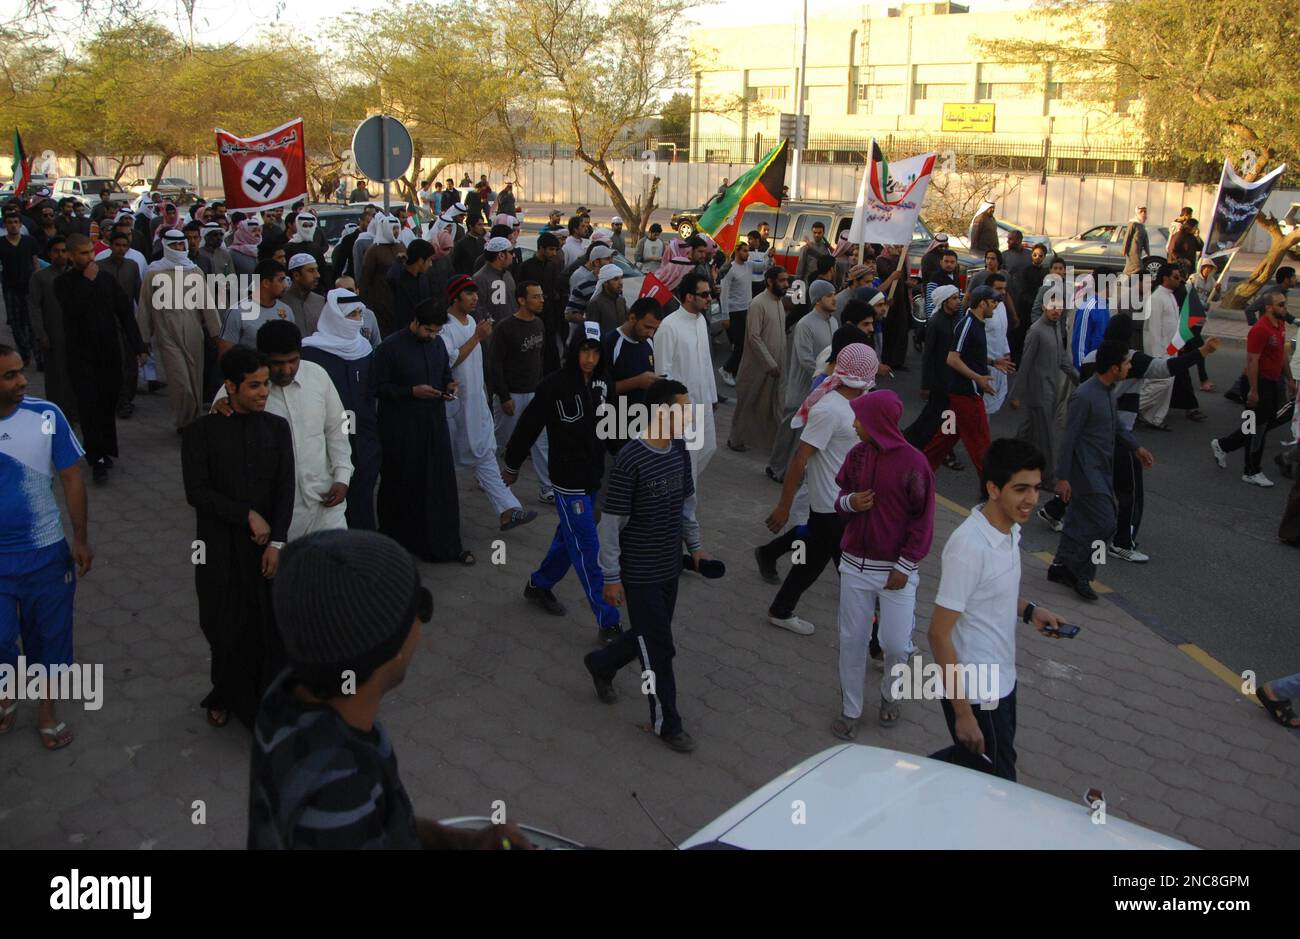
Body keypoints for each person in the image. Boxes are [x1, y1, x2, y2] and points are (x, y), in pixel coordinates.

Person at [248, 529, 534, 849]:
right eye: (419, 607)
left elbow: (387, 828)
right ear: (390, 649)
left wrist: (463, 842)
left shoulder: (287, 695)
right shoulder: (337, 792)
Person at [584, 379, 713, 754]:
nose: (690, 414)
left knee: (645, 634)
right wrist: (611, 578)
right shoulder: (630, 460)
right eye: (683, 408)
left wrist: (697, 548)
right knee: (659, 649)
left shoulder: (678, 449)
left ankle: (601, 664)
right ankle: (667, 723)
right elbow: (610, 524)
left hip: (670, 567)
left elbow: (687, 504)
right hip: (639, 574)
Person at [926, 438, 1066, 781]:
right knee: (999, 778)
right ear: (993, 488)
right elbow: (938, 634)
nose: (1032, 499)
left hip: (1004, 678)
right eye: (1020, 489)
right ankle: (906, 783)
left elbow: (990, 594)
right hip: (978, 690)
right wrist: (963, 714)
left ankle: (911, 783)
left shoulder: (1009, 530)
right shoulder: (969, 548)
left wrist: (1031, 611)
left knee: (979, 766)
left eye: (1036, 488)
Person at [182, 346, 295, 729]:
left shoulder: (277, 429)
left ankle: (269, 704)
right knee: (224, 627)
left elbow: (285, 488)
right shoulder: (201, 433)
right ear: (229, 387)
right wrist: (246, 514)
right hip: (219, 550)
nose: (264, 392)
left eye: (265, 384)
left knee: (268, 630)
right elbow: (196, 492)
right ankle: (226, 693)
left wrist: (277, 543)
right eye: (254, 385)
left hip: (266, 553)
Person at [0, 343, 92, 749]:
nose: (22, 381)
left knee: (49, 638)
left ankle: (46, 710)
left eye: (21, 372)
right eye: (9, 376)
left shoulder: (46, 415)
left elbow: (72, 478)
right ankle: (6, 695)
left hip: (46, 555)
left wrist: (81, 537)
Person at [504, 324, 621, 642]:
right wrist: (512, 465)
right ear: (573, 351)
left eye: (595, 352)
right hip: (567, 480)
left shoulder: (603, 382)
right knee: (587, 547)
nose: (589, 358)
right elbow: (528, 426)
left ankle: (539, 585)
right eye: (584, 351)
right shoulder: (553, 386)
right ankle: (608, 621)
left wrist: (628, 459)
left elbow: (612, 428)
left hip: (593, 475)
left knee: (568, 537)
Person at [831, 389, 935, 738]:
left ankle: (891, 694)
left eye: (859, 417)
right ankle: (850, 710)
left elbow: (923, 520)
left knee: (894, 644)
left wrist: (905, 566)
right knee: (852, 640)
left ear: (876, 422)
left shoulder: (915, 464)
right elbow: (839, 499)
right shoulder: (857, 455)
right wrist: (850, 503)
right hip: (854, 566)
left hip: (896, 573)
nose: (855, 423)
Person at [763, 344, 877, 636]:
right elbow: (801, 458)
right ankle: (879, 642)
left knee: (812, 561)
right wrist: (784, 506)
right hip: (833, 508)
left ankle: (781, 609)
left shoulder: (858, 403)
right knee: (855, 575)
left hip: (842, 506)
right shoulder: (830, 409)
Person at [212, 320, 352, 541]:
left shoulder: (318, 376)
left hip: (325, 503)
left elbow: (337, 429)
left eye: (293, 361)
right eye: (278, 363)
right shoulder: (241, 390)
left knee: (335, 568)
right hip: (275, 512)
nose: (287, 370)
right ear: (261, 356)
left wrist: (343, 475)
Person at [1048, 340, 1151, 601]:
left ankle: (1059, 567)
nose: (1130, 366)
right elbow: (1069, 439)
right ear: (1114, 368)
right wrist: (1061, 478)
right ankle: (1080, 573)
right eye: (1126, 362)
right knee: (1106, 524)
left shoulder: (1108, 392)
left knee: (1076, 521)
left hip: (1101, 469)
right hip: (1085, 473)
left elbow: (1116, 427)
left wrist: (1136, 448)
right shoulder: (1084, 395)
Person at [371, 301, 471, 564]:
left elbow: (444, 372)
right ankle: (394, 543)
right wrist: (410, 392)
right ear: (414, 321)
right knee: (400, 485)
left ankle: (439, 543)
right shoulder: (390, 348)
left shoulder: (436, 344)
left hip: (433, 425)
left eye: (436, 331)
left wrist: (449, 385)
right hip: (400, 430)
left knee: (437, 485)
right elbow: (377, 387)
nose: (432, 336)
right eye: (428, 330)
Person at [441, 275, 537, 532]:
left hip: (477, 404)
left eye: (475, 293)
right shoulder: (446, 327)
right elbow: (450, 361)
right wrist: (477, 337)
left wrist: (485, 393)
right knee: (446, 462)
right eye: (469, 294)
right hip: (454, 407)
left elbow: (477, 364)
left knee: (484, 455)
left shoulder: (472, 321)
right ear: (455, 297)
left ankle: (508, 511)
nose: (475, 298)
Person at [54, 234, 144, 482]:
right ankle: (97, 459)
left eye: (91, 252)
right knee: (89, 407)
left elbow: (125, 313)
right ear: (71, 256)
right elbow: (73, 310)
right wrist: (87, 282)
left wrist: (138, 346)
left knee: (106, 404)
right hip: (80, 356)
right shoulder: (64, 283)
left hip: (109, 353)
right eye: (83, 254)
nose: (89, 258)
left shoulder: (105, 279)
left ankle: (105, 450)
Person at [301, 289, 380, 530]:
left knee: (363, 490)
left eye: (359, 313)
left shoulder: (364, 348)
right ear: (335, 317)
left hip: (364, 432)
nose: (357, 319)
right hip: (328, 435)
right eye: (351, 314)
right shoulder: (310, 352)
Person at [1211, 291, 1294, 488]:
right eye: (1280, 304)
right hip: (1258, 383)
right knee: (1258, 428)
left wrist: (1289, 379)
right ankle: (1251, 471)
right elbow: (1252, 361)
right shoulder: (1260, 329)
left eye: (1285, 304)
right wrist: (1253, 390)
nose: (1284, 308)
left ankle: (1223, 445)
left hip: (1274, 382)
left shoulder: (1280, 325)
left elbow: (1281, 354)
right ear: (1268, 307)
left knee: (1262, 425)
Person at [919, 285, 1003, 480]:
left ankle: (917, 471)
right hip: (966, 395)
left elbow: (969, 355)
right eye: (993, 302)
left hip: (961, 395)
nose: (996, 306)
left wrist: (992, 362)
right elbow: (953, 358)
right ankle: (991, 489)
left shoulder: (976, 323)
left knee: (944, 440)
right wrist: (979, 378)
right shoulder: (967, 324)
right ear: (982, 303)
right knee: (980, 443)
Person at [767, 279, 840, 478]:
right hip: (801, 386)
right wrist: (825, 376)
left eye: (834, 294)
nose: (834, 299)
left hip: (821, 386)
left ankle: (794, 472)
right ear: (817, 300)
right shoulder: (805, 324)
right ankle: (776, 468)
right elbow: (805, 358)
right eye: (829, 295)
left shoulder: (833, 322)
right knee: (789, 428)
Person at [491, 280, 554, 502]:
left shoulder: (539, 324)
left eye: (542, 296)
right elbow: (495, 365)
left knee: (541, 442)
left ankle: (547, 488)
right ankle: (489, 478)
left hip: (535, 395)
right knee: (501, 440)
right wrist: (505, 396)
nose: (541, 300)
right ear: (521, 300)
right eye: (536, 296)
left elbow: (541, 358)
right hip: (512, 396)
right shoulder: (505, 328)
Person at [652, 271, 719, 482]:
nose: (710, 298)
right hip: (682, 410)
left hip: (704, 403)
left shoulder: (700, 321)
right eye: (705, 294)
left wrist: (713, 396)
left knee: (708, 449)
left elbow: (707, 361)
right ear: (689, 296)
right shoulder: (669, 327)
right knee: (686, 462)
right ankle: (684, 512)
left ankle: (682, 497)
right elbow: (662, 373)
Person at [1010, 301, 1075, 488]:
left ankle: (1007, 459)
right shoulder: (1036, 330)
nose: (1057, 310)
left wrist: (1079, 378)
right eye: (1052, 306)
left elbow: (1063, 359)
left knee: (1028, 432)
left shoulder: (1055, 328)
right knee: (1047, 436)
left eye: (1059, 307)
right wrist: (1016, 394)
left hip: (1052, 387)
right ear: (1044, 307)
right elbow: (1026, 364)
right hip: (1039, 391)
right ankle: (1048, 477)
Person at [729, 265, 788, 455]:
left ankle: (769, 443)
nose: (786, 284)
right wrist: (770, 363)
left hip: (775, 366)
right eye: (782, 280)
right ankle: (735, 439)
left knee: (772, 405)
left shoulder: (778, 302)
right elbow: (754, 337)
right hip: (757, 367)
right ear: (770, 281)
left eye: (787, 280)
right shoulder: (758, 303)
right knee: (747, 403)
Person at [26, 236, 77, 422]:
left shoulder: (75, 275)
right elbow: (34, 307)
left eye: (64, 251)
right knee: (56, 377)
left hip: (75, 333)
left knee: (75, 374)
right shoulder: (40, 277)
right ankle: (56, 413)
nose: (60, 255)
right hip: (52, 334)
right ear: (49, 253)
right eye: (56, 251)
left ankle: (74, 411)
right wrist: (41, 334)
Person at [602, 298, 661, 456]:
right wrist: (637, 382)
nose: (651, 333)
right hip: (615, 432)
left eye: (655, 329)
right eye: (647, 327)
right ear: (632, 318)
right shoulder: (611, 343)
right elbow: (601, 390)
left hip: (642, 429)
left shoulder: (648, 342)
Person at [97, 230, 145, 419]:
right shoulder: (99, 266)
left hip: (128, 320)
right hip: (106, 321)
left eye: (124, 246)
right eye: (117, 245)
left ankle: (127, 398)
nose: (121, 249)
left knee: (131, 364)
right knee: (114, 363)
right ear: (111, 245)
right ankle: (120, 401)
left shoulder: (132, 266)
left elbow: (138, 293)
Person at [1137, 263, 1182, 430]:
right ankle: (1130, 407)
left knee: (1167, 386)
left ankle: (1154, 418)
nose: (1180, 280)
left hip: (1171, 349)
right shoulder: (1156, 298)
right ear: (1165, 278)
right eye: (1176, 277)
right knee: (1159, 383)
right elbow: (1153, 329)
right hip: (1160, 351)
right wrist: (1157, 356)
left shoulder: (1170, 296)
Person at [218, 259, 295, 354]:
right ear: (266, 283)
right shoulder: (237, 312)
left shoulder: (287, 310)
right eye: (281, 280)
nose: (285, 286)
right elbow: (225, 354)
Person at [0, 210, 39, 366]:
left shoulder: (29, 241)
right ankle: (24, 355)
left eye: (16, 222)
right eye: (10, 222)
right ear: (5, 225)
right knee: (16, 324)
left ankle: (38, 357)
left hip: (29, 287)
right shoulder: (1, 243)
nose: (14, 225)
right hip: (10, 288)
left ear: (21, 224)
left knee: (31, 323)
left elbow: (35, 263)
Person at [282, 254, 325, 338]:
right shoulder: (282, 302)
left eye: (317, 270)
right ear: (296, 275)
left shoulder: (321, 301)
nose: (317, 275)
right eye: (311, 270)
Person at [794, 221, 831, 288]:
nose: (817, 235)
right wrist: (798, 283)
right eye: (815, 232)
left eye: (819, 233)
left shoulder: (826, 248)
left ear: (823, 233)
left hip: (821, 283)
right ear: (812, 232)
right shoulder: (806, 248)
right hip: (808, 282)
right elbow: (800, 267)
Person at [1122, 206, 1149, 276]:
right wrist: (1124, 249)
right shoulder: (1133, 223)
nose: (1143, 213)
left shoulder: (1142, 225)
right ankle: (1127, 280)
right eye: (1141, 212)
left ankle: (1125, 280)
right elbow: (1127, 236)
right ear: (1137, 213)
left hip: (1138, 250)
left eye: (1145, 212)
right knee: (1137, 267)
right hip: (1132, 250)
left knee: (1132, 268)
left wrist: (1147, 251)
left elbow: (1145, 239)